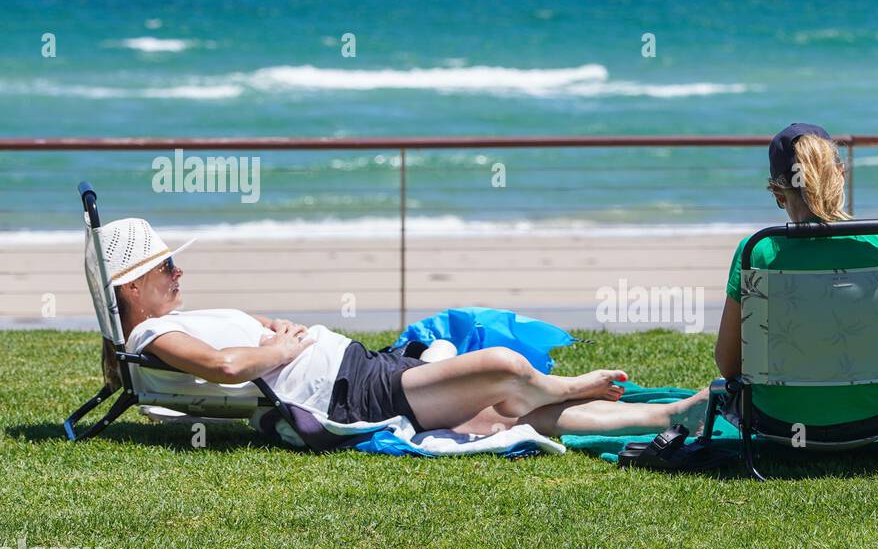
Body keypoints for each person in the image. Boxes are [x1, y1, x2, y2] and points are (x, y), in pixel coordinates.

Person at [95, 218, 707, 438]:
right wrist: (279, 346)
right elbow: (227, 369)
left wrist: (270, 327)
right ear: (131, 287)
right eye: (166, 265)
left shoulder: (175, 320)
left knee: (503, 415)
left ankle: (667, 416)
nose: (180, 271)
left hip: (356, 368)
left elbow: (242, 339)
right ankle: (567, 385)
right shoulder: (150, 337)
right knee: (501, 366)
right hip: (348, 390)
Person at [713, 122, 878, 440]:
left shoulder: (757, 253)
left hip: (779, 423)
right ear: (841, 176)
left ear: (777, 193)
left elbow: (728, 365)